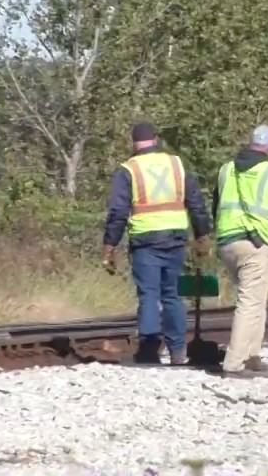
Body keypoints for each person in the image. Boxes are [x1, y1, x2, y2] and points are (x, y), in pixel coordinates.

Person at [102, 122, 213, 365]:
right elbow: (195, 202)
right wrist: (202, 234)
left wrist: (109, 246)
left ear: (133, 142)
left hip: (145, 241)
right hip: (175, 236)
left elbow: (118, 212)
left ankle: (150, 350)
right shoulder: (176, 164)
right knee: (172, 294)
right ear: (156, 139)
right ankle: (177, 351)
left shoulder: (128, 170)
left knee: (149, 295)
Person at [211, 124, 268, 375]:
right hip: (253, 245)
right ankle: (234, 363)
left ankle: (252, 356)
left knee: (254, 300)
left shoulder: (227, 169)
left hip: (227, 243)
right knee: (249, 303)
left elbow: (216, 204)